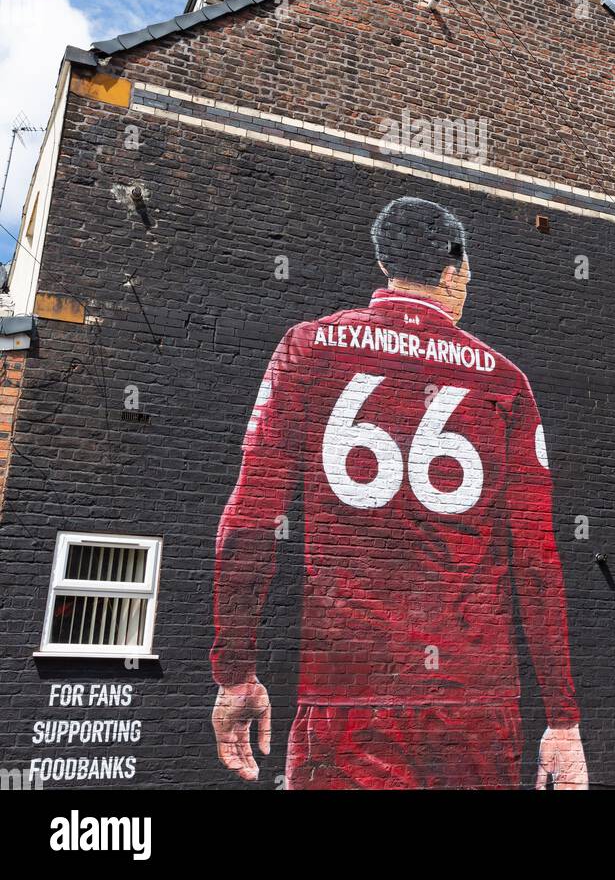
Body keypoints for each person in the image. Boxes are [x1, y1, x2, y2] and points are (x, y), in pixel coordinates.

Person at [211, 195, 587, 789]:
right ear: (453, 269)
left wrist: (235, 671)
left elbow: (249, 522)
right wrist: (563, 721)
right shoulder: (504, 381)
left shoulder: (309, 348)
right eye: (468, 272)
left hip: (346, 695)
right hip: (478, 704)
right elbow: (537, 561)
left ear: (386, 265)